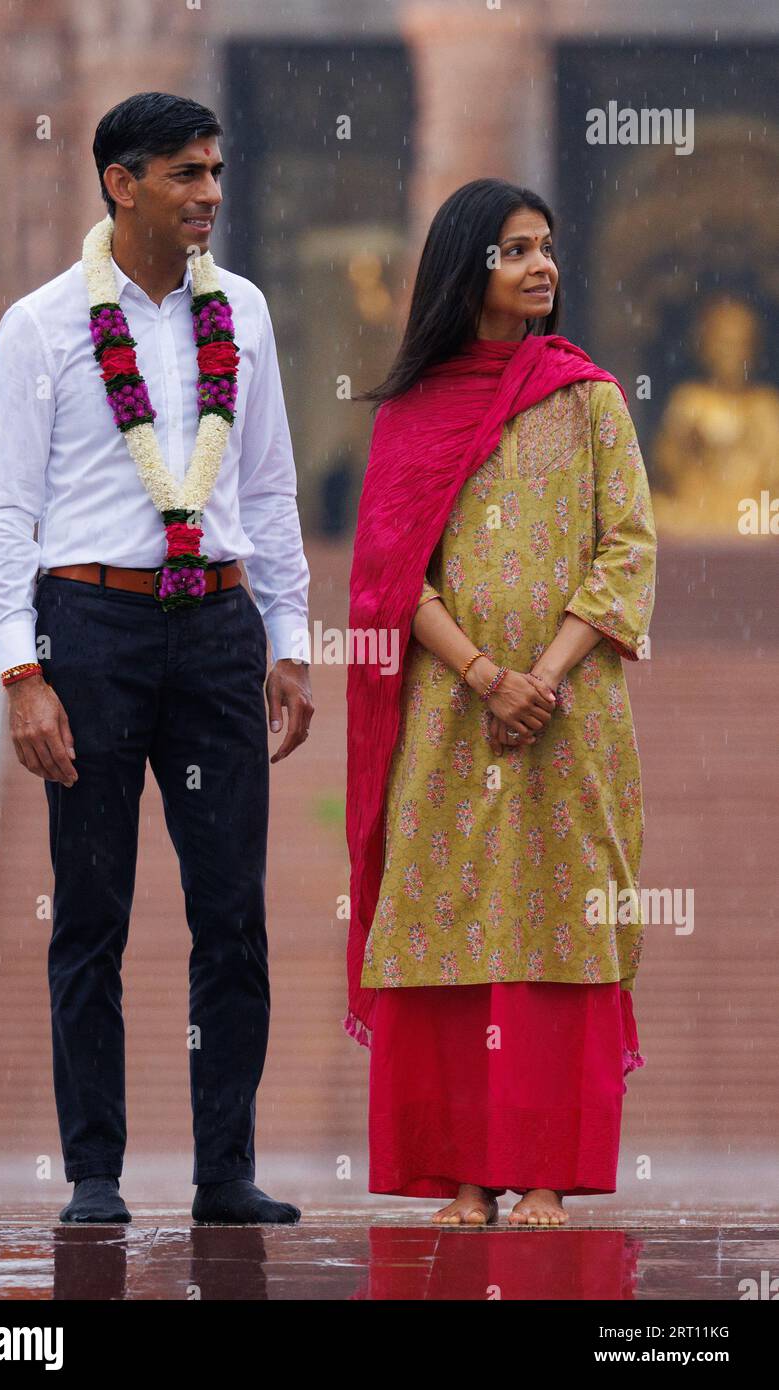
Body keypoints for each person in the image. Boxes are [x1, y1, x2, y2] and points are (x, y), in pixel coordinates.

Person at [0, 91, 314, 1225]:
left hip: (218, 628)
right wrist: (24, 673)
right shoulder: (43, 324)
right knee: (91, 911)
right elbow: (5, 517)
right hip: (96, 629)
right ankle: (96, 1176)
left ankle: (225, 1173)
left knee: (233, 914)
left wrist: (291, 640)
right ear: (121, 184)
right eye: (187, 174)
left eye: (216, 171)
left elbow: (266, 487)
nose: (212, 193)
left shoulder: (249, 315)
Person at [346, 178, 657, 1227]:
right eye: (516, 249)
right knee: (451, 918)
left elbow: (629, 551)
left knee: (560, 917)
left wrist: (547, 674)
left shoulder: (591, 396)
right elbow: (390, 574)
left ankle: (545, 1176)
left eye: (549, 248)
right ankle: (464, 1178)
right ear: (465, 266)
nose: (542, 266)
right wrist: (485, 674)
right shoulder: (414, 409)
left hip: (572, 718)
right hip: (448, 712)